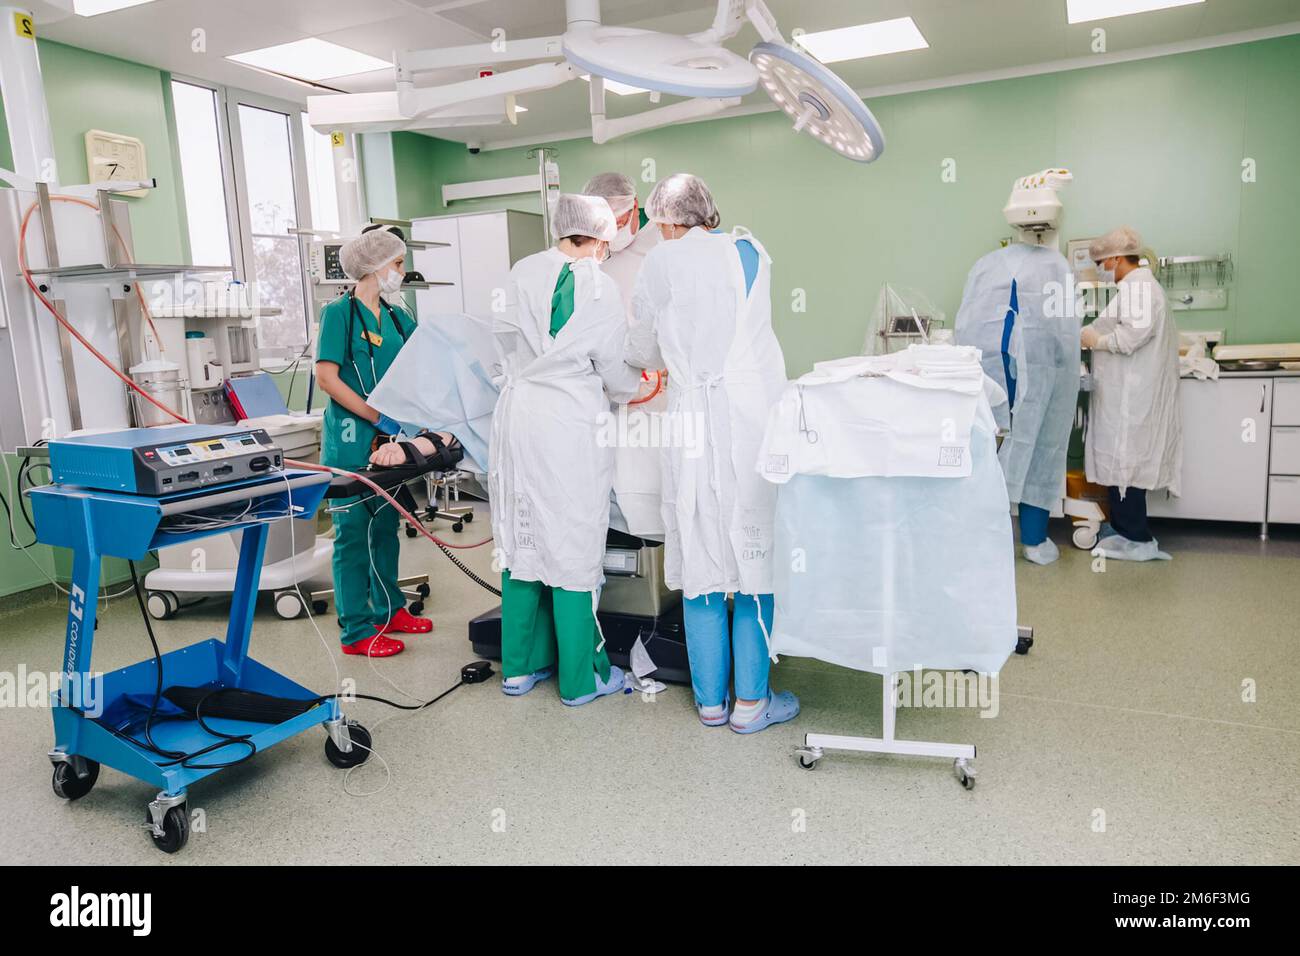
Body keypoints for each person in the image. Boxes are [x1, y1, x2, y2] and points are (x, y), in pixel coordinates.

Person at [627, 173, 799, 734]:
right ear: (709, 213)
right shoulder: (751, 252)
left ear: (668, 221)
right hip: (750, 417)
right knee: (754, 557)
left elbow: (643, 347)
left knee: (699, 555)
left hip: (692, 420)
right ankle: (752, 704)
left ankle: (710, 704)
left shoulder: (659, 262)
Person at [491, 194, 642, 706]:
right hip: (569, 424)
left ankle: (519, 667)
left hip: (519, 419)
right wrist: (642, 384)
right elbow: (618, 374)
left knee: (523, 533)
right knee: (573, 538)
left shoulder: (521, 272)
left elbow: (504, 345)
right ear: (602, 239)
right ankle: (582, 679)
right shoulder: (597, 285)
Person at [315, 225, 439, 657]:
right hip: (352, 441)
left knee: (386, 528)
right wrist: (376, 415)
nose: (402, 271)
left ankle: (390, 609)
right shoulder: (339, 315)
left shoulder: (397, 316)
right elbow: (327, 378)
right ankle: (356, 630)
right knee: (353, 534)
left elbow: (425, 360)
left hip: (395, 441)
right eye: (398, 263)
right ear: (373, 266)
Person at [955, 243, 1079, 565]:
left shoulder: (987, 265)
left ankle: (984, 539)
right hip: (1036, 373)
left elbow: (967, 328)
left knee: (990, 452)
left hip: (994, 373)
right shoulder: (1054, 266)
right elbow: (1065, 336)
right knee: (1039, 449)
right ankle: (1034, 541)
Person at [1081, 226, 1182, 561]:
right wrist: (1087, 332)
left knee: (1127, 461)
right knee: (1120, 460)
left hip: (1133, 395)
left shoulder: (1140, 289)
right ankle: (1124, 529)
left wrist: (1097, 341)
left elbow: (1128, 338)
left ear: (1116, 258)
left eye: (1101, 262)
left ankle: (1136, 539)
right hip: (1125, 393)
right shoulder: (1131, 288)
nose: (1099, 267)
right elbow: (1111, 324)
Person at [581, 171, 659, 313]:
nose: (612, 235)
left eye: (619, 225)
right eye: (603, 228)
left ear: (634, 206)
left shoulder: (660, 234)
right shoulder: (588, 247)